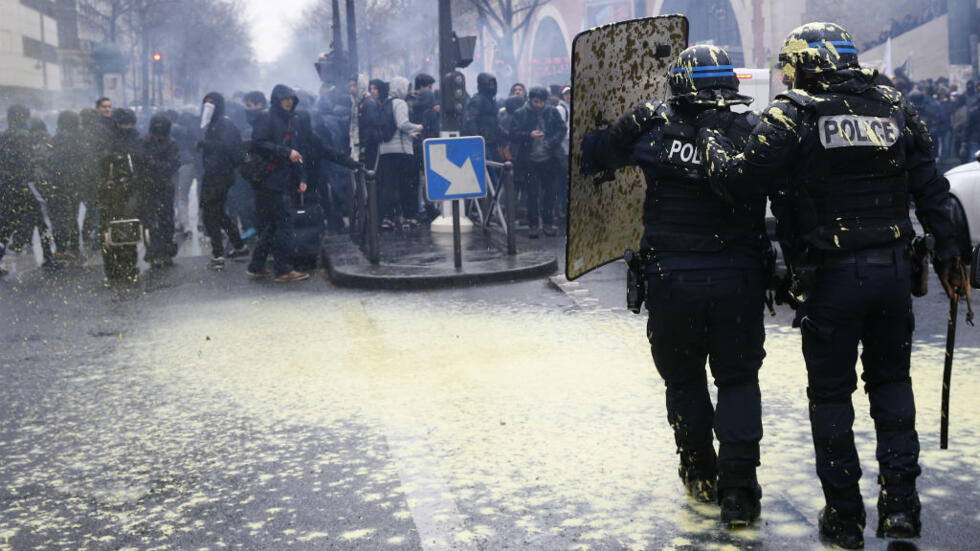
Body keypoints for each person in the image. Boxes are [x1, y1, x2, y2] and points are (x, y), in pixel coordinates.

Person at [698, 22, 966, 548]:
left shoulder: (792, 112)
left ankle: (844, 516)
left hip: (832, 279)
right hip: (893, 271)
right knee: (892, 386)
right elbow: (932, 189)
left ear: (803, 64)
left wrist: (711, 138)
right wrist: (951, 255)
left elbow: (739, 177)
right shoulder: (894, 105)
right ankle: (902, 508)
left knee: (830, 396)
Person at [581, 45, 768, 527]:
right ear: (729, 84)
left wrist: (635, 114)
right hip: (737, 281)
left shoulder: (653, 131)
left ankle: (700, 474)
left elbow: (594, 154)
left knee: (684, 381)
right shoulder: (754, 132)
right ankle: (740, 494)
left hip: (673, 283)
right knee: (738, 381)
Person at [0, 105, 56, 274]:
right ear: (23, 118)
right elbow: (27, 162)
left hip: (7, 186)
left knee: (6, 224)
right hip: (26, 184)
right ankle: (48, 256)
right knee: (42, 220)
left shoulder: (3, 136)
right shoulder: (25, 137)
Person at [197, 92, 248, 270]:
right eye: (205, 103)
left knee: (211, 213)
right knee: (216, 212)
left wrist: (205, 144)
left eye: (212, 103)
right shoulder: (212, 124)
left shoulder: (223, 123)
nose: (208, 106)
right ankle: (239, 245)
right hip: (214, 174)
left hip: (221, 175)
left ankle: (218, 254)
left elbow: (225, 146)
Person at [509, 86, 566, 238]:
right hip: (529, 160)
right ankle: (533, 225)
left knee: (549, 192)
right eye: (536, 102)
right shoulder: (520, 113)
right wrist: (529, 135)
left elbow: (562, 129)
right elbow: (513, 133)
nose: (539, 105)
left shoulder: (552, 111)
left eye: (542, 102)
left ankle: (547, 223)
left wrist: (552, 142)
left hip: (548, 158)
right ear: (531, 100)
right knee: (532, 194)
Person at [97, 108, 143, 283]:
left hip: (129, 192)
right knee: (108, 231)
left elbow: (141, 164)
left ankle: (129, 266)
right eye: (124, 124)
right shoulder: (107, 141)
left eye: (130, 124)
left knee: (129, 229)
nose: (127, 127)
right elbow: (99, 164)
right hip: (109, 193)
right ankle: (112, 270)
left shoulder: (136, 140)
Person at [377, 76, 422, 231]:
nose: (408, 91)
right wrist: (417, 127)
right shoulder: (400, 103)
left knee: (388, 186)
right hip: (401, 151)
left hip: (385, 150)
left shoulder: (386, 103)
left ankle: (386, 217)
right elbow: (402, 124)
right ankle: (408, 217)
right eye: (407, 87)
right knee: (406, 185)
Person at [47, 110, 89, 260]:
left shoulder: (55, 138)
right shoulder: (75, 140)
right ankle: (73, 247)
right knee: (71, 216)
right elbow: (81, 161)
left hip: (59, 183)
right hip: (72, 184)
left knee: (61, 216)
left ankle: (61, 247)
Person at [141, 113, 181, 267]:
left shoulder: (171, 143)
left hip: (164, 186)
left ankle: (165, 251)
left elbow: (173, 163)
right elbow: (142, 161)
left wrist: (154, 164)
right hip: (149, 186)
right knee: (150, 221)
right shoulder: (145, 142)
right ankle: (153, 252)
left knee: (166, 219)